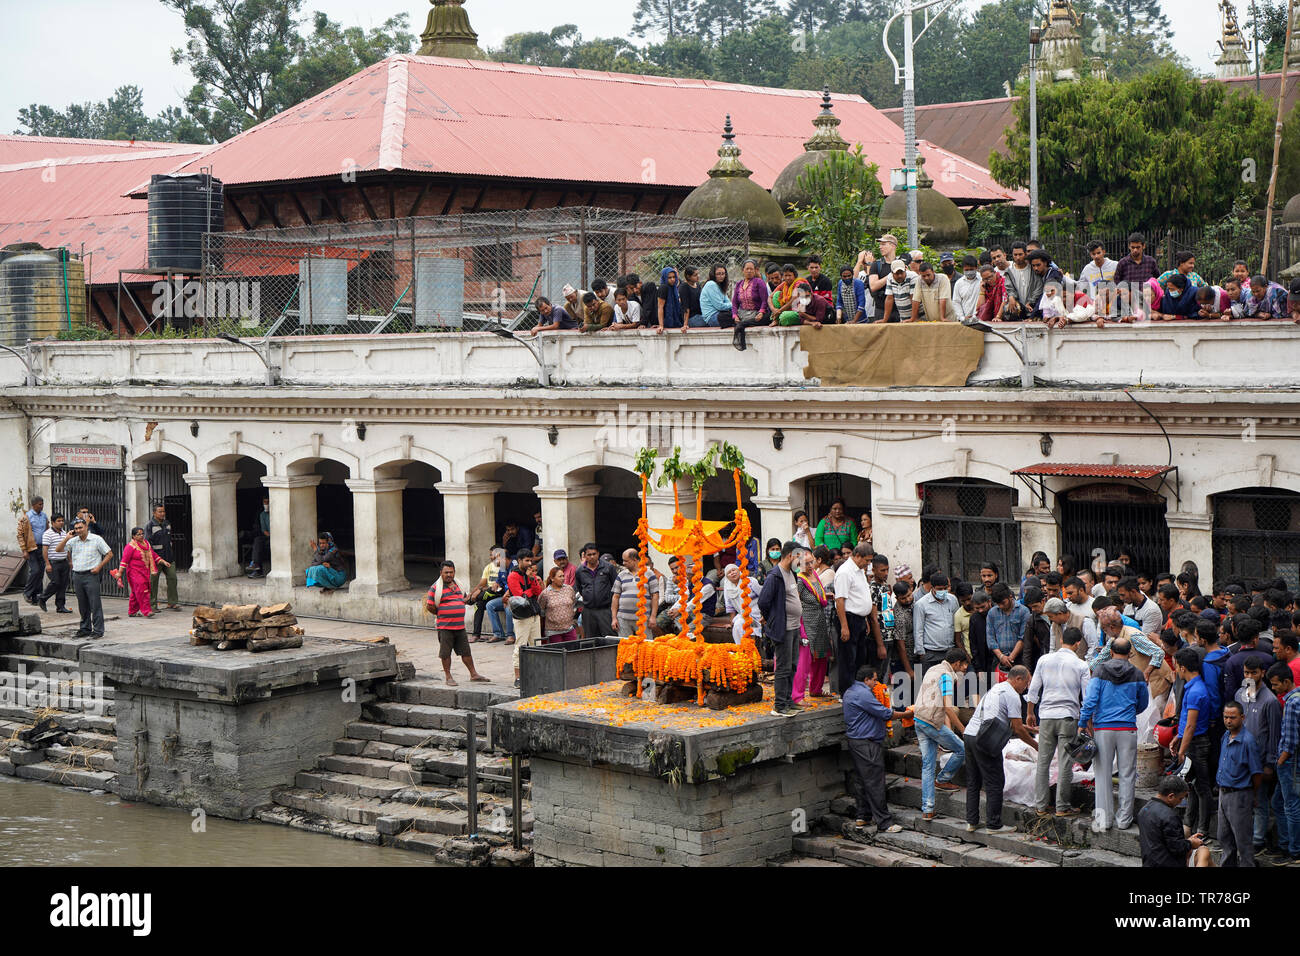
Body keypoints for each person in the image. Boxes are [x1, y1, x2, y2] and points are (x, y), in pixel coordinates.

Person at [1079, 635, 1149, 831]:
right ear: (1130, 653)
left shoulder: (1100, 671)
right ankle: (1124, 820)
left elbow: (1091, 700)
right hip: (1127, 728)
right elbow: (1142, 703)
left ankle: (1103, 820)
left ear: (1110, 652)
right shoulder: (1137, 673)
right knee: (1127, 775)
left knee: (1102, 775)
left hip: (1103, 729)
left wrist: (1083, 722)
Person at [963, 664, 1036, 834]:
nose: (1026, 688)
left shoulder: (997, 688)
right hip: (985, 739)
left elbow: (1005, 719)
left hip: (970, 734)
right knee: (995, 780)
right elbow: (1017, 729)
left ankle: (971, 821)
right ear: (1018, 679)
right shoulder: (1012, 695)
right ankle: (993, 824)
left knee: (973, 781)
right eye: (1026, 683)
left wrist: (1031, 729)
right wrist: (1036, 745)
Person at [1027, 627, 1091, 818]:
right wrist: (1086, 722)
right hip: (1068, 716)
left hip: (1046, 716)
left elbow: (1034, 689)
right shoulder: (1081, 665)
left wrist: (1030, 712)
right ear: (1078, 643)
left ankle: (1040, 805)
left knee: (1043, 762)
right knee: (1065, 763)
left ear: (1062, 639)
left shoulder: (1044, 660)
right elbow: (1086, 697)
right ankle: (1062, 807)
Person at [843, 664, 905, 833]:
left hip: (856, 742)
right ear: (866, 680)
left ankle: (863, 816)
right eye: (874, 680)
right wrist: (908, 714)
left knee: (862, 780)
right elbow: (885, 713)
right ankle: (884, 822)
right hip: (866, 743)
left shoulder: (850, 691)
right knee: (875, 782)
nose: (876, 684)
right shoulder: (863, 694)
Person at [914, 647, 969, 820]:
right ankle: (943, 779)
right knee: (962, 748)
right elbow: (948, 707)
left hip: (919, 718)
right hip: (931, 721)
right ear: (957, 663)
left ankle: (928, 809)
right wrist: (962, 729)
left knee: (927, 765)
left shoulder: (933, 669)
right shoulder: (947, 676)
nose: (966, 667)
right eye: (965, 664)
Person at [1171, 647, 1214, 838]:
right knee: (1194, 786)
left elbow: (1191, 725)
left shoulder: (1196, 691)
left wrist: (1182, 749)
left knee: (1202, 787)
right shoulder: (1194, 688)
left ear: (1182, 668)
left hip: (1197, 744)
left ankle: (1202, 829)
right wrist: (1178, 737)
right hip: (1191, 742)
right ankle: (1189, 824)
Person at [425, 561, 490, 686]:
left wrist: (472, 597)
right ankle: (448, 676)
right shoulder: (435, 588)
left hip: (459, 626)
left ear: (454, 572)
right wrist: (442, 613)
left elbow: (465, 600)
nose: (449, 575)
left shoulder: (458, 585)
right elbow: (430, 606)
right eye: (446, 572)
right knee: (445, 653)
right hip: (445, 627)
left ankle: (473, 674)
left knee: (466, 652)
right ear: (441, 573)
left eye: (451, 572)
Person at [759, 541, 805, 717]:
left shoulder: (792, 573)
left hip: (794, 626)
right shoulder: (774, 576)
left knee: (793, 665)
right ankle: (779, 705)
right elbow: (764, 601)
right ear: (789, 556)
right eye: (797, 557)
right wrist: (772, 618)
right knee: (783, 667)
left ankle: (788, 700)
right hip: (783, 628)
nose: (799, 561)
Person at [1216, 700, 1263, 867]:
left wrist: (1251, 795)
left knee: (1243, 842)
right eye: (1226, 717)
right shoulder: (1225, 736)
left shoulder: (1248, 741)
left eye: (1233, 718)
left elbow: (1256, 773)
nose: (1228, 721)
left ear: (1242, 717)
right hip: (1223, 793)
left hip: (1240, 795)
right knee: (1224, 839)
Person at [1138, 775, 1213, 867]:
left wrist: (1187, 841)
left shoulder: (1144, 810)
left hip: (1150, 863)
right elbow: (1177, 848)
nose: (1180, 802)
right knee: (1203, 852)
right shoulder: (1170, 817)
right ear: (1171, 796)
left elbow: (1165, 841)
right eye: (1180, 798)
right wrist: (1191, 843)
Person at [56, 518, 112, 639]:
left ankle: (98, 630)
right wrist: (66, 538)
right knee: (82, 604)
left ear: (86, 527)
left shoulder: (96, 539)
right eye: (76, 528)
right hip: (77, 575)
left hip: (91, 575)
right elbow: (58, 549)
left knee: (94, 603)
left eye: (80, 527)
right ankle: (85, 628)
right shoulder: (73, 541)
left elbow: (109, 554)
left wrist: (99, 567)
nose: (78, 530)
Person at [834, 544, 879, 695]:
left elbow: (859, 597)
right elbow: (840, 600)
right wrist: (844, 626)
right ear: (857, 555)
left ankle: (858, 690)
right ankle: (846, 693)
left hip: (859, 619)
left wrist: (865, 618)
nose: (868, 564)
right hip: (849, 619)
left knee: (860, 657)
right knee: (848, 659)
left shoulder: (860, 570)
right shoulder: (845, 572)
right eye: (867, 560)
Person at [1267, 660, 1300, 865]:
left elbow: (1290, 741)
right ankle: (1286, 843)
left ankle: (1294, 850)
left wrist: (1280, 762)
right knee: (1279, 802)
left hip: (1289, 763)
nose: (1274, 688)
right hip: (1289, 763)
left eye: (1276, 684)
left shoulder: (1292, 702)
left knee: (1291, 806)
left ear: (1287, 681)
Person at [791, 551, 833, 703]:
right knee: (804, 662)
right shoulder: (799, 580)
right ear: (798, 564)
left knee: (821, 658)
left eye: (811, 562)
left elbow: (816, 595)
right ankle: (797, 696)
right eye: (806, 563)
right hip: (806, 623)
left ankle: (816, 689)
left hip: (820, 622)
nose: (809, 566)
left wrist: (826, 596)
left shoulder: (815, 574)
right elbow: (794, 601)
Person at [508, 550, 544, 687]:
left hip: (534, 613)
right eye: (527, 561)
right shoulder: (513, 576)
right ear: (519, 560)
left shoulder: (531, 575)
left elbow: (538, 592)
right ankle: (518, 677)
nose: (530, 563)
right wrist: (529, 590)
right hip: (521, 615)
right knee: (520, 646)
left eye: (531, 561)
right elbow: (520, 597)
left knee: (537, 646)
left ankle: (536, 674)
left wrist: (531, 580)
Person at [913, 571, 958, 666]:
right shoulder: (921, 604)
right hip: (930, 653)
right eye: (939, 589)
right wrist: (921, 653)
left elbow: (957, 623)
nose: (943, 591)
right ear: (932, 587)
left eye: (945, 588)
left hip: (950, 651)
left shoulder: (953, 600)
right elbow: (918, 630)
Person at [143, 503, 181, 611]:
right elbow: (148, 544)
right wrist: (152, 558)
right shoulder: (149, 526)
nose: (162, 513)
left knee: (173, 578)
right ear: (154, 513)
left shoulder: (167, 523)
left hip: (169, 558)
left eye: (163, 511)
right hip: (156, 559)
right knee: (153, 582)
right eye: (160, 511)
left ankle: (172, 603)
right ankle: (152, 605)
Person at [575, 543, 617, 639]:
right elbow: (580, 589)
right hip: (588, 611)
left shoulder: (608, 568)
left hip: (605, 610)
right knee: (591, 640)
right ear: (585, 555)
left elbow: (616, 588)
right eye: (589, 555)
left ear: (598, 554)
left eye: (594, 554)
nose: (592, 557)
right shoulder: (580, 571)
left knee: (610, 639)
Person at [613, 548, 658, 637]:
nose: (623, 563)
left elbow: (655, 596)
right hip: (623, 618)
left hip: (643, 618)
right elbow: (615, 597)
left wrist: (653, 616)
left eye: (626, 561)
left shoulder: (649, 574)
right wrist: (614, 618)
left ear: (635, 560)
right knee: (625, 646)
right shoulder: (621, 575)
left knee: (646, 645)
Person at [986, 582, 1029, 673]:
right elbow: (990, 637)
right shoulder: (992, 613)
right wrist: (1001, 656)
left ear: (1010, 596)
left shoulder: (1023, 611)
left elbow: (1023, 637)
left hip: (1018, 658)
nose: (1001, 606)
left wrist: (1011, 657)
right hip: (998, 658)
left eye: (1003, 603)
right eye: (998, 604)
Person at [119, 527, 162, 618]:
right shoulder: (130, 546)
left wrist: (162, 561)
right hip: (134, 573)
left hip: (144, 572)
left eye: (142, 534)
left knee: (136, 592)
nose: (141, 536)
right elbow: (124, 561)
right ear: (133, 536)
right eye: (138, 534)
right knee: (143, 591)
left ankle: (132, 611)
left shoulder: (146, 544)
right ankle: (147, 611)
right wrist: (120, 573)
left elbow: (152, 554)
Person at [38, 513, 72, 614]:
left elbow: (67, 548)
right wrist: (47, 564)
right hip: (53, 563)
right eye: (59, 521)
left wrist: (70, 561)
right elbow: (45, 550)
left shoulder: (64, 533)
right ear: (53, 522)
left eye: (62, 520)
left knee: (63, 584)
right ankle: (42, 598)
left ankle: (60, 606)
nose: (61, 523)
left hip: (64, 562)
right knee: (56, 582)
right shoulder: (47, 534)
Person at [721, 562, 761, 644]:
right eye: (729, 572)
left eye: (734, 570)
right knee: (737, 624)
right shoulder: (727, 587)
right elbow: (730, 606)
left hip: (758, 613)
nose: (732, 573)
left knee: (743, 625)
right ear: (727, 577)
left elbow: (763, 596)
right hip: (743, 614)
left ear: (739, 570)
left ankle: (749, 649)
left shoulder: (750, 581)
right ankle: (741, 649)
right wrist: (731, 622)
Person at [17, 495, 47, 605]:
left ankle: (36, 596)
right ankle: (27, 592)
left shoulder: (44, 516)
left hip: (42, 547)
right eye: (40, 504)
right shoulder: (26, 517)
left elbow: (47, 530)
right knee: (35, 570)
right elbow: (20, 535)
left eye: (42, 504)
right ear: (33, 505)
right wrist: (24, 550)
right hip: (31, 548)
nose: (42, 506)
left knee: (40, 572)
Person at [539, 565, 580, 644]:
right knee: (558, 654)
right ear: (552, 579)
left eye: (563, 576)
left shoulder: (569, 589)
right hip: (553, 631)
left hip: (569, 629)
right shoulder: (545, 594)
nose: (563, 578)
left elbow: (573, 603)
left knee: (572, 652)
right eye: (560, 576)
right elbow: (541, 610)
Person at [699, 264, 733, 328]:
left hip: (720, 314)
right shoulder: (711, 284)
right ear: (713, 274)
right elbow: (720, 306)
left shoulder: (720, 286)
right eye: (718, 274)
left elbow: (727, 302)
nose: (721, 276)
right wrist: (734, 304)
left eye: (723, 274)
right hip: (712, 317)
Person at [951, 255, 981, 323]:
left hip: (980, 319)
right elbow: (956, 302)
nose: (969, 272)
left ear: (976, 268)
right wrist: (962, 317)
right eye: (966, 270)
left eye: (971, 269)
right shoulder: (959, 283)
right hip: (965, 320)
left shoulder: (982, 280)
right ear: (963, 269)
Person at [246, 495, 270, 577]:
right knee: (258, 540)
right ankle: (256, 565)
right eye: (265, 502)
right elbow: (264, 530)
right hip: (269, 537)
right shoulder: (262, 515)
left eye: (268, 502)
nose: (266, 504)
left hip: (280, 537)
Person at [656, 266, 684, 333]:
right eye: (669, 278)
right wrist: (661, 325)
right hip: (667, 320)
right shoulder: (663, 288)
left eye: (674, 277)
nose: (672, 279)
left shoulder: (674, 288)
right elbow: (660, 307)